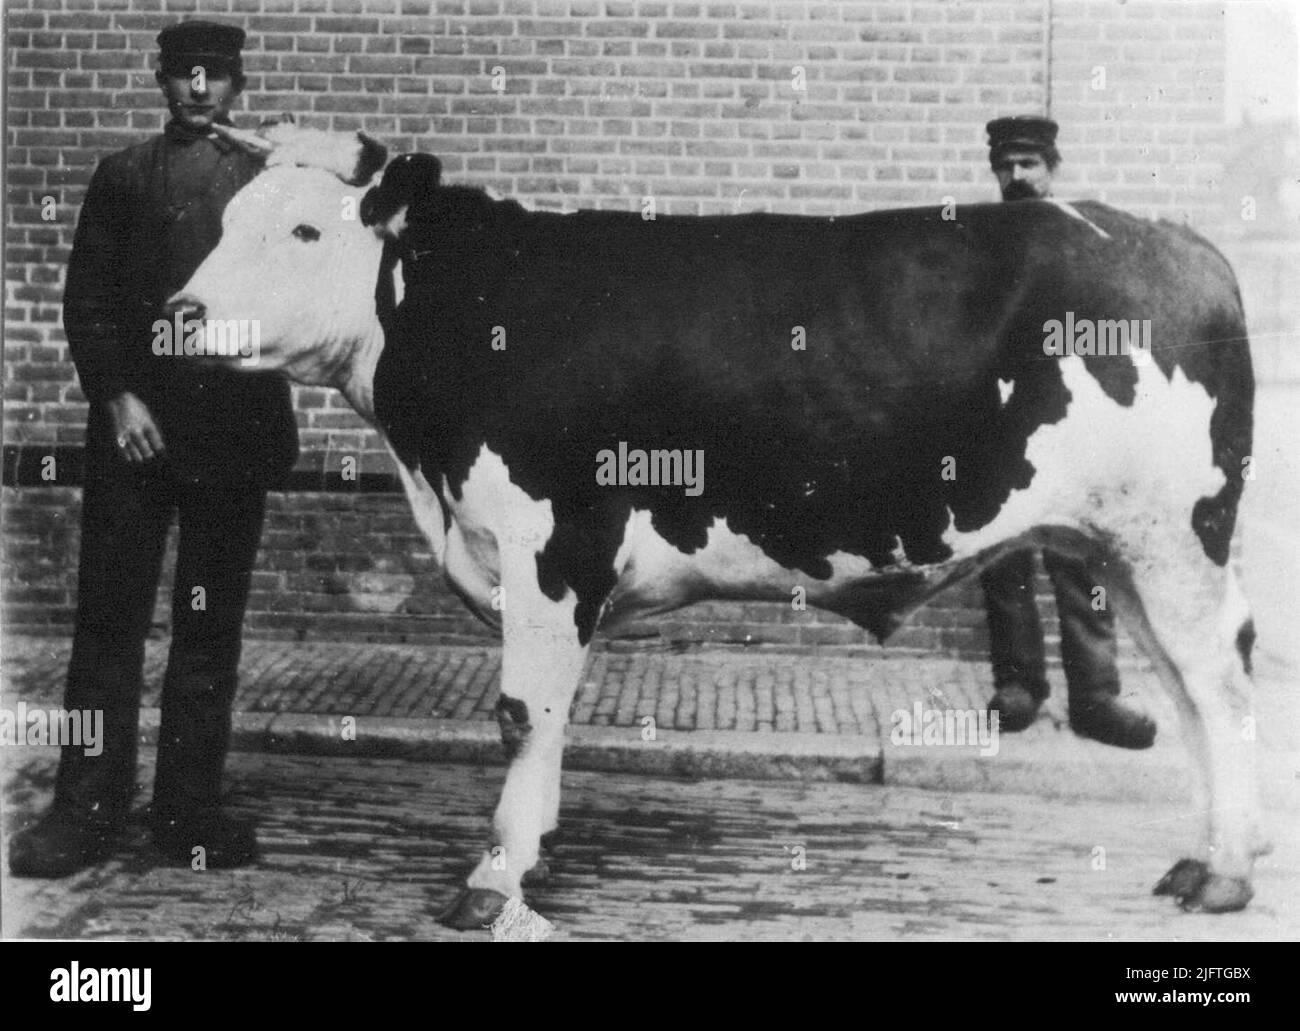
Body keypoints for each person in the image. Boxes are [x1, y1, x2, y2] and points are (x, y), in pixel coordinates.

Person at [9, 21, 299, 877]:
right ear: (161, 81)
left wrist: (291, 153)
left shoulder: (267, 184)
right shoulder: (122, 177)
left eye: (215, 75)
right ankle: (83, 809)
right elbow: (87, 304)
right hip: (134, 442)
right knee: (107, 623)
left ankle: (188, 811)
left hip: (231, 438)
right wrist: (118, 395)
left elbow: (294, 297)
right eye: (185, 74)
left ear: (238, 84)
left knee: (207, 628)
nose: (200, 90)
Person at [979, 115, 1156, 749]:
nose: (1017, 175)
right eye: (1007, 165)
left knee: (1081, 560)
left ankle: (1097, 694)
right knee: (1000, 558)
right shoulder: (983, 243)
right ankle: (1018, 685)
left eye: (1029, 163)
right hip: (1000, 423)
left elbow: (1113, 332)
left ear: (1053, 168)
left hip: (1070, 419)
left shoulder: (1082, 239)